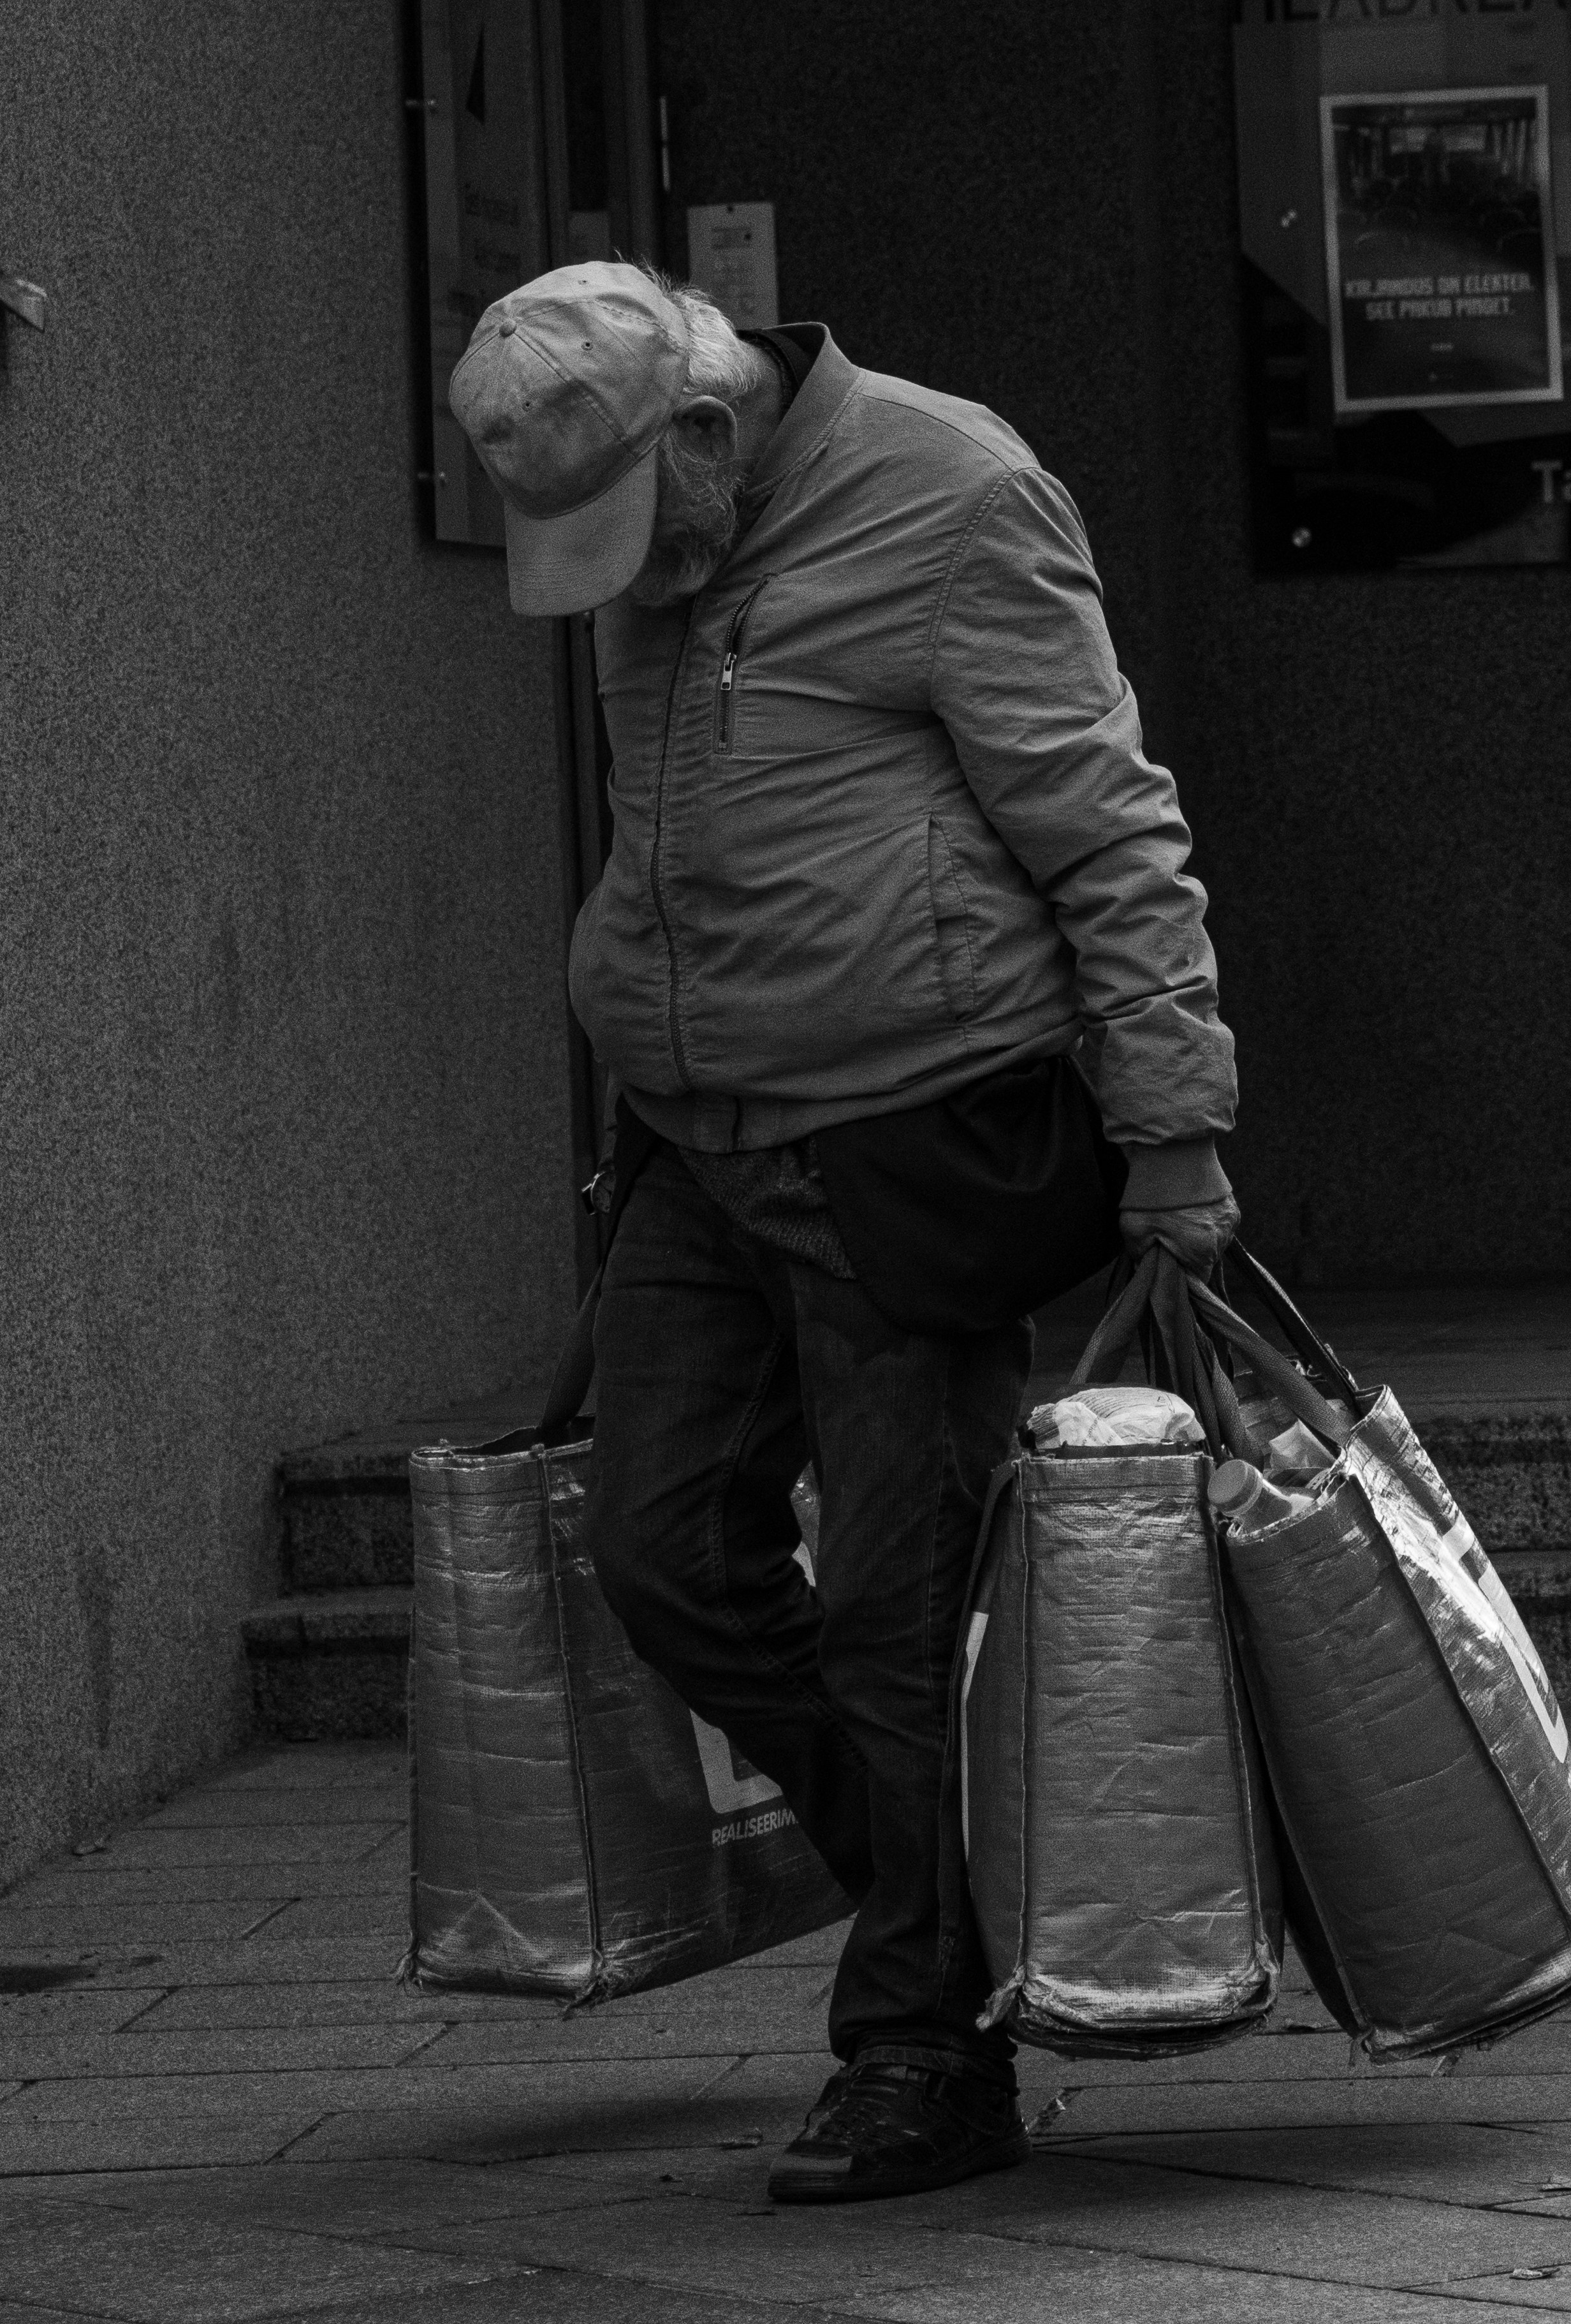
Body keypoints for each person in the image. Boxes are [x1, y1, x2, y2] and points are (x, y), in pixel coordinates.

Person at [444, 261, 1239, 2205]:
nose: (627, 580)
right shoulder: (667, 543)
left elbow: (1110, 828)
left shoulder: (953, 495)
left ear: (707, 431)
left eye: (638, 528)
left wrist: (1175, 1129)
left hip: (911, 1138)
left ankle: (924, 2050)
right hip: (697, 1147)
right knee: (658, 1547)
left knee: (898, 1610)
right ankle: (936, 1882)